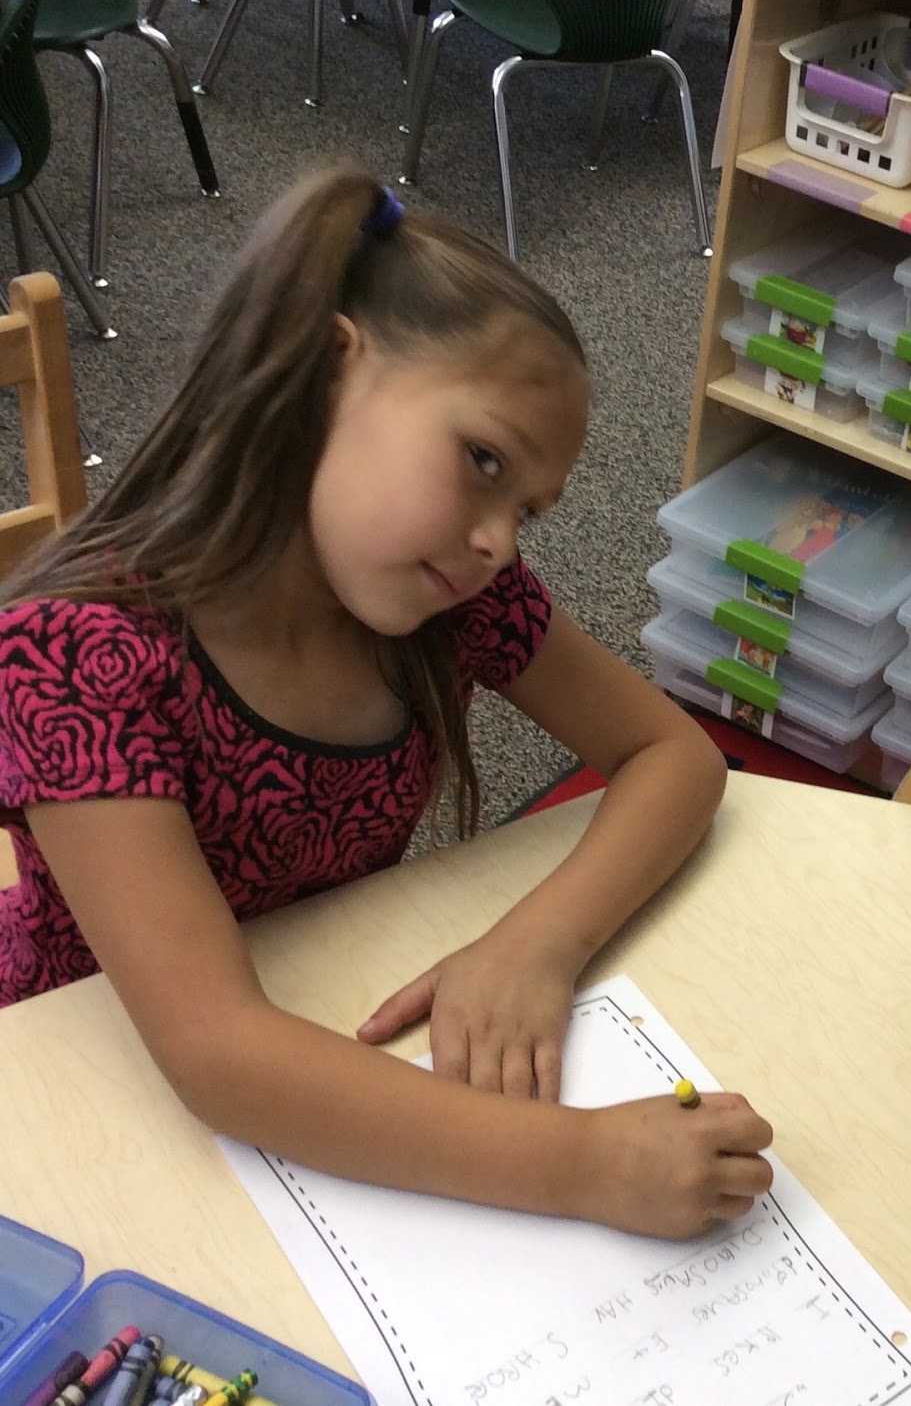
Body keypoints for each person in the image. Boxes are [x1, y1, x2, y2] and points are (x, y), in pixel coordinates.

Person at [0, 165, 772, 1238]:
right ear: (328, 372)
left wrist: (535, 942)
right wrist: (587, 1163)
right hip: (81, 1090)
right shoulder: (77, 656)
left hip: (337, 1015)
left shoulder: (452, 597)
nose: (501, 537)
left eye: (530, 509)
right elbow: (218, 1052)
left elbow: (674, 757)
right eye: (482, 460)